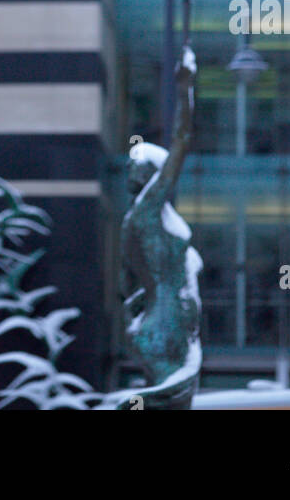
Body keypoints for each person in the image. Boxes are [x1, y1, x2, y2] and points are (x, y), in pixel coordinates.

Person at [120, 48, 202, 409]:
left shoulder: (138, 219)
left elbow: (132, 285)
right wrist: (185, 88)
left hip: (155, 319)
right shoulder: (148, 210)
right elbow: (182, 142)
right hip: (165, 321)